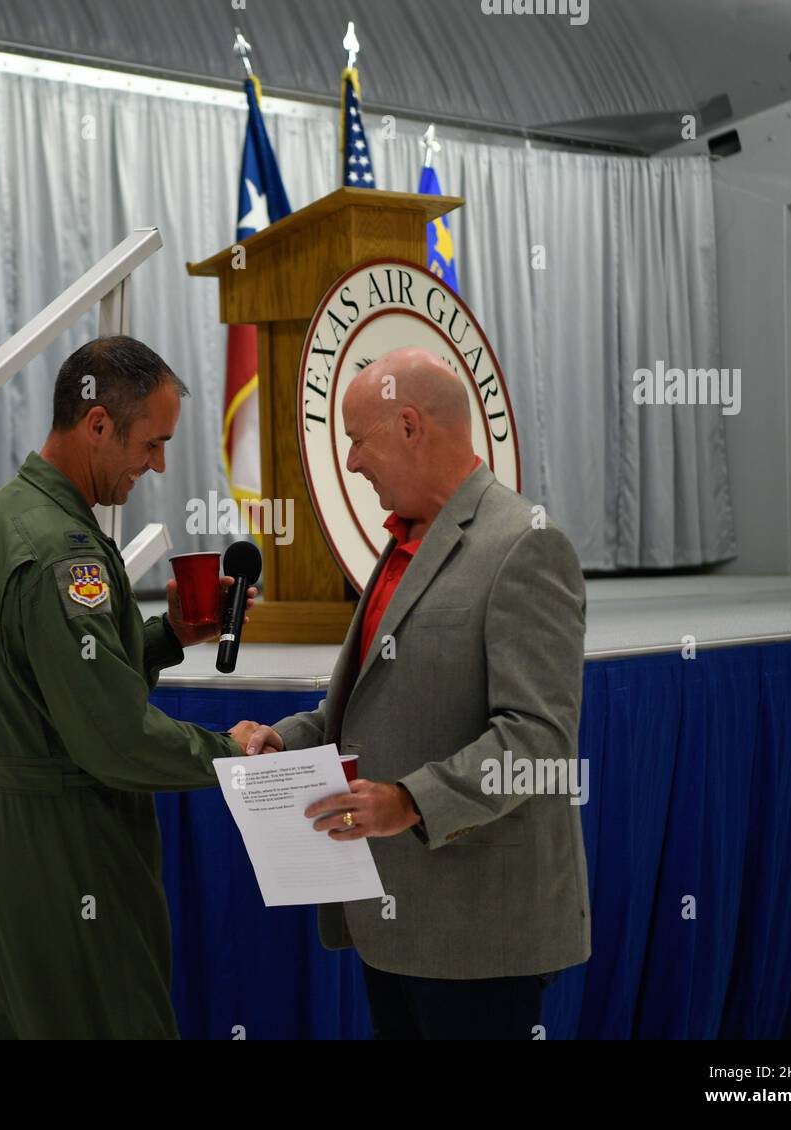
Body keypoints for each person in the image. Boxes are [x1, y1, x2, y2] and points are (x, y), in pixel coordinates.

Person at [242, 346, 590, 1040]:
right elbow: (369, 709)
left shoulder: (525, 545)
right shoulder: (401, 547)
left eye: (356, 440)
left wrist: (407, 801)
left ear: (408, 424)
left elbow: (538, 742)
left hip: (478, 934)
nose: (350, 463)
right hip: (395, 925)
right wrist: (289, 737)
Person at [0, 335, 258, 1039]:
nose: (159, 464)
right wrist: (229, 755)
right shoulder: (64, 551)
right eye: (151, 444)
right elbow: (111, 737)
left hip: (4, 844)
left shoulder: (2, 516)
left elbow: (57, 682)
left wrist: (170, 635)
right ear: (96, 425)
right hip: (66, 859)